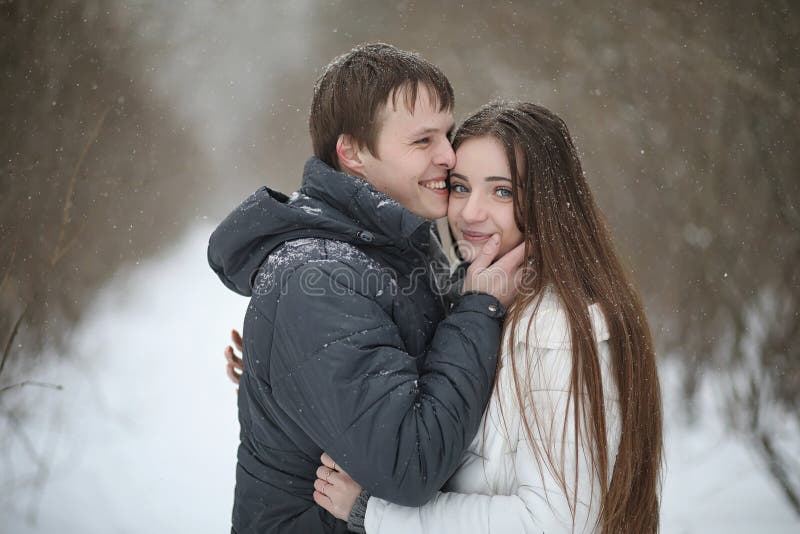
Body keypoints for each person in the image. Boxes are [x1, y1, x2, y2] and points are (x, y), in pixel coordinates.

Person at [208, 44, 525, 534]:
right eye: (423, 141)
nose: (448, 155)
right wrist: (478, 310)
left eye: (447, 134)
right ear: (353, 152)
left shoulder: (402, 248)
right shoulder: (318, 280)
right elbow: (410, 464)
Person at [307, 101, 664, 533]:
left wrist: (376, 513)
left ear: (548, 203)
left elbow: (557, 520)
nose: (470, 212)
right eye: (460, 187)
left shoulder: (554, 327)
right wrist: (301, 354)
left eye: (502, 192)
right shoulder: (479, 299)